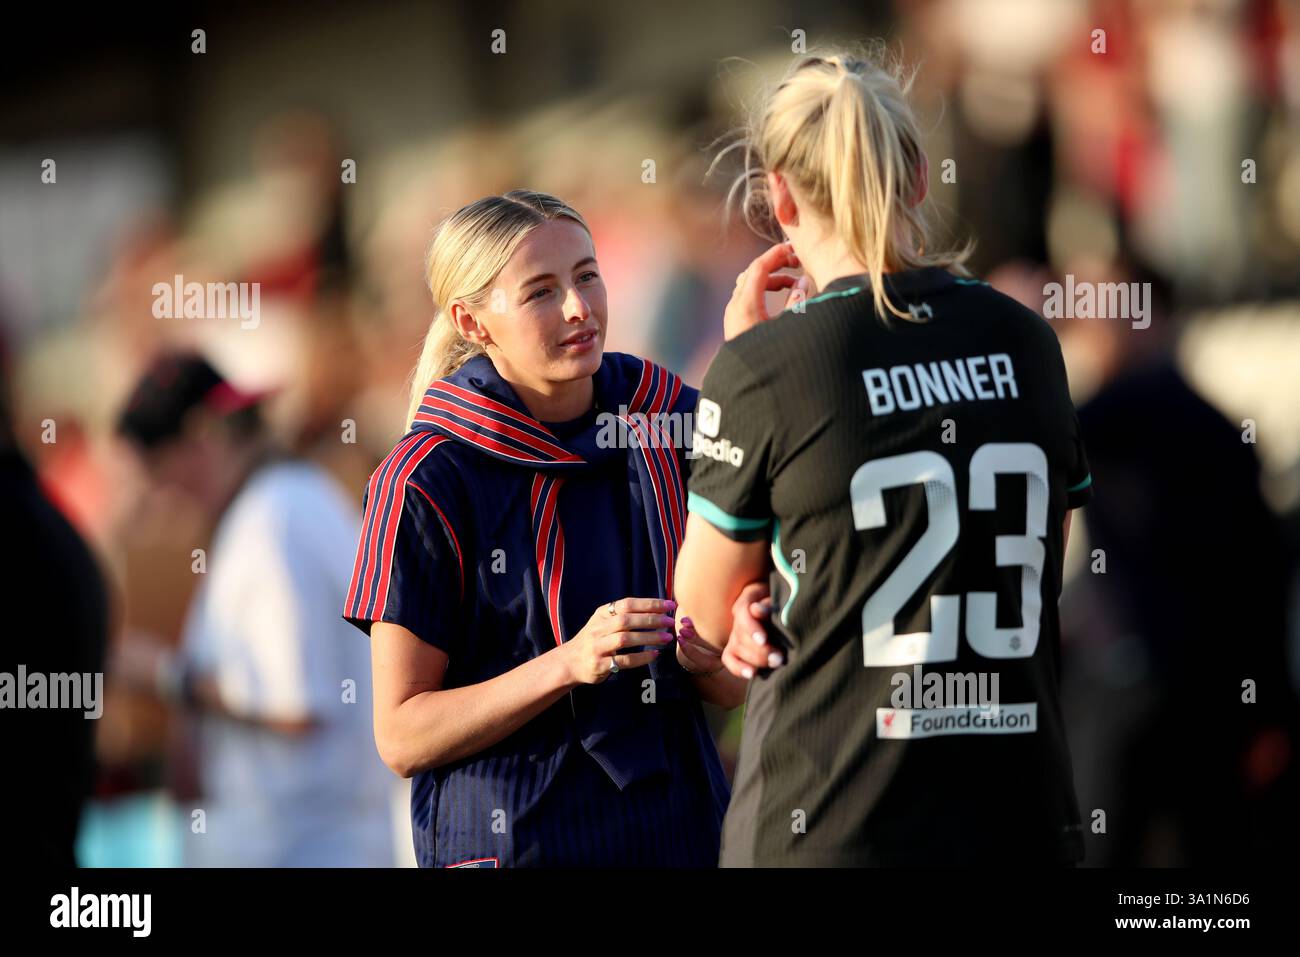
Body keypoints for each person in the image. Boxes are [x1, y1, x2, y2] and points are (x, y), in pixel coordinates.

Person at [674, 49, 1093, 866]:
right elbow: (1046, 546)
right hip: (1017, 819)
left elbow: (702, 614)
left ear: (781, 198)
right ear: (920, 179)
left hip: (833, 818)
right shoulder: (1027, 339)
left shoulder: (768, 365)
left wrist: (745, 369)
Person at [342, 190, 747, 867]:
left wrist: (713, 656)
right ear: (472, 321)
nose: (578, 308)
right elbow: (401, 734)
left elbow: (728, 684)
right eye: (540, 291)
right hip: (516, 839)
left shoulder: (666, 418)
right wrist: (568, 662)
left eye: (587, 275)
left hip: (676, 829)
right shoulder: (425, 477)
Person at [115, 352, 396, 866]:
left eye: (158, 466)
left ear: (202, 438)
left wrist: (160, 673)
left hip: (306, 849)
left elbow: (290, 700)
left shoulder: (272, 522)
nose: (160, 494)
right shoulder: (282, 503)